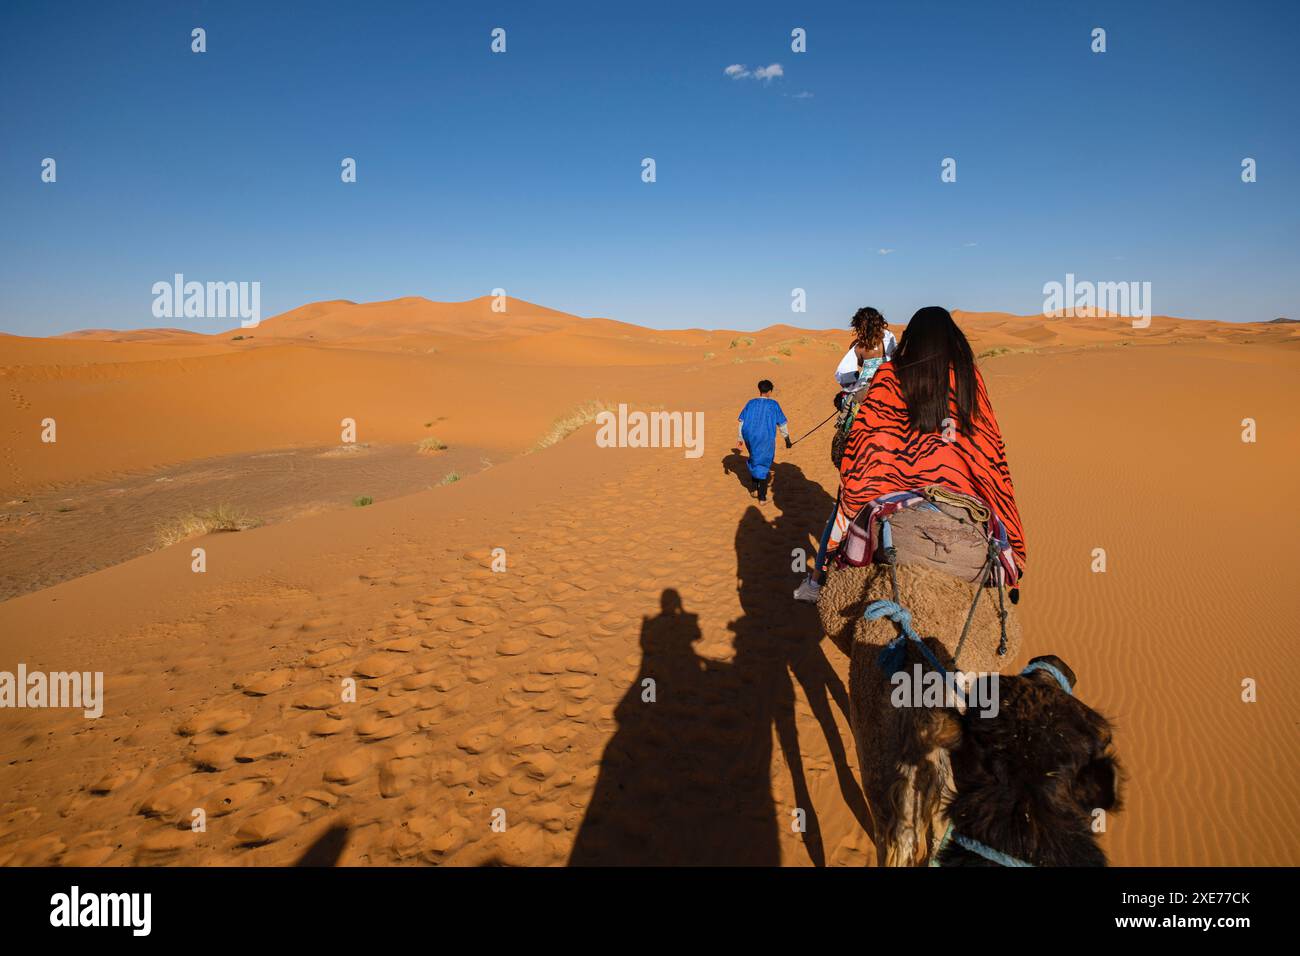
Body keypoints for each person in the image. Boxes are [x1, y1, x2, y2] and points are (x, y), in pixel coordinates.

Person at [794, 306, 1024, 602]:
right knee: (998, 509)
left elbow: (870, 438)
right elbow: (989, 446)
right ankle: (1011, 571)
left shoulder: (887, 372)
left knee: (844, 509)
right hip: (962, 482)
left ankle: (816, 582)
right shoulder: (968, 377)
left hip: (895, 479)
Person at [737, 379, 790, 504]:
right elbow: (782, 423)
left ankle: (754, 489)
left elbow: (741, 422)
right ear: (770, 391)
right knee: (763, 463)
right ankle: (762, 497)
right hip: (765, 437)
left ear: (759, 390)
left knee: (755, 458)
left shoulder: (750, 403)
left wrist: (740, 438)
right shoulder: (774, 405)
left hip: (750, 436)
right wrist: (787, 438)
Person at [834, 306, 896, 391]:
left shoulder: (858, 348)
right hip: (888, 378)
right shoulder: (888, 337)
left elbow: (844, 373)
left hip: (865, 384)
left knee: (846, 400)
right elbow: (895, 355)